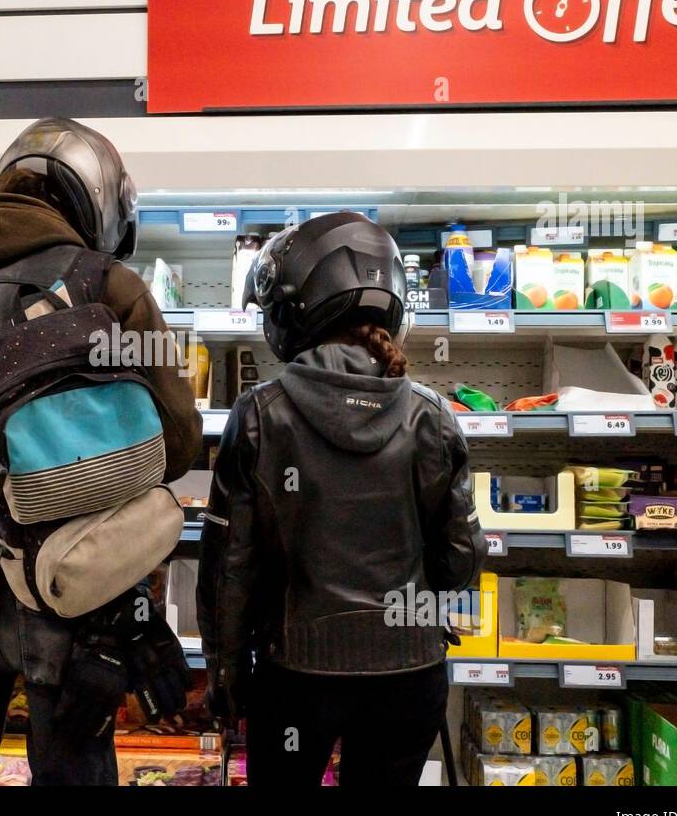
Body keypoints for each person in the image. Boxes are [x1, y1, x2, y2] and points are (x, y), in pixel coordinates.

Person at [0, 117, 203, 785]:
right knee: (74, 769)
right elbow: (176, 443)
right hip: (72, 587)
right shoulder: (110, 287)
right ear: (99, 201)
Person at [197, 211, 486, 786]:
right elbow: (460, 563)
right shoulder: (431, 415)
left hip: (297, 674)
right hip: (408, 672)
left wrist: (225, 671)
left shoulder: (259, 414)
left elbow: (231, 567)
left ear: (297, 307)